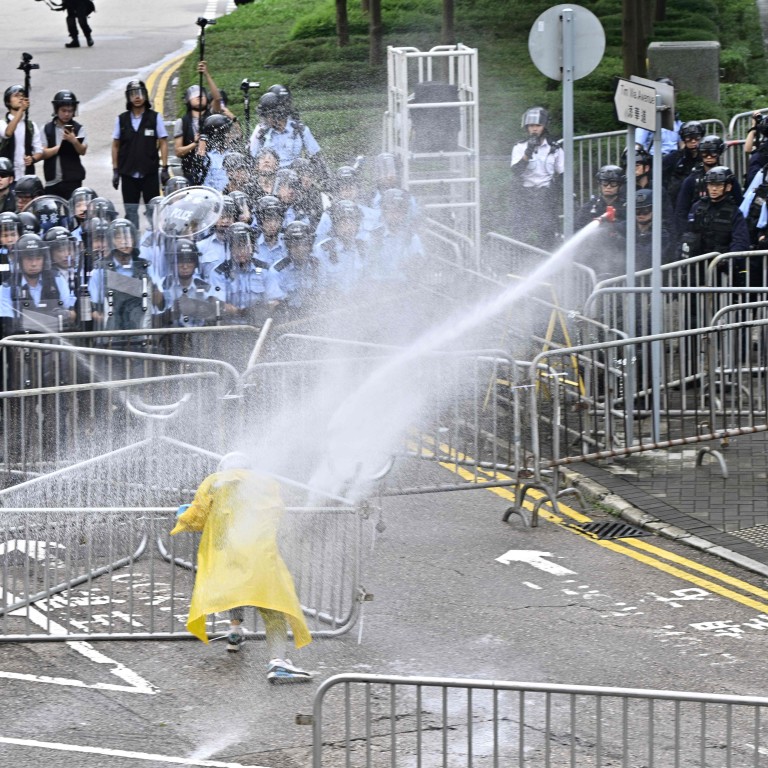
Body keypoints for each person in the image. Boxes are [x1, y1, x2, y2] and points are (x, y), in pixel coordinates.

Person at [170, 452, 312, 682]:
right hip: (259, 556)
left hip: (227, 555)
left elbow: (195, 518)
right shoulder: (267, 484)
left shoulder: (214, 482)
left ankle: (235, 632)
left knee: (235, 593)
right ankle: (277, 661)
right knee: (274, 610)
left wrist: (182, 515)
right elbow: (278, 514)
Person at [111, 80, 169, 229]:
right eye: (133, 94)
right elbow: (115, 145)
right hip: (128, 174)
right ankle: (133, 245)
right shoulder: (121, 119)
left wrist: (164, 168)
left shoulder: (155, 118)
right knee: (131, 212)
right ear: (128, 97)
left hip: (149, 173)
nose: (137, 97)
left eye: (140, 93)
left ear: (145, 95)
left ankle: (155, 241)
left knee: (153, 211)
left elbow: (163, 142)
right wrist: (115, 170)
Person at [510, 106, 564, 250]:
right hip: (525, 193)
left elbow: (562, 173)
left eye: (538, 125)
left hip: (545, 194)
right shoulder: (519, 147)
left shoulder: (555, 148)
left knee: (546, 228)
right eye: (531, 126)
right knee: (520, 231)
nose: (534, 129)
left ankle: (546, 254)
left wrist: (558, 193)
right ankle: (521, 259)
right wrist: (527, 153)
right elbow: (516, 171)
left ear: (545, 127)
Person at [173, 61, 225, 183]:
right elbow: (178, 151)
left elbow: (217, 98)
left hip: (213, 171)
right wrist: (195, 144)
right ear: (187, 100)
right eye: (194, 95)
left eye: (202, 94)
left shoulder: (212, 115)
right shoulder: (182, 122)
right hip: (190, 173)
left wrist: (206, 74)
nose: (199, 96)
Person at [248, 90, 322, 169]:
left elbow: (316, 157)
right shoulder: (261, 132)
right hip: (270, 174)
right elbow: (251, 157)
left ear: (277, 114)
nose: (266, 119)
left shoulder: (300, 130)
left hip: (294, 174)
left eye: (267, 116)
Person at [40, 90, 88, 201]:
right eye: (63, 111)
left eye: (70, 111)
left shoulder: (78, 128)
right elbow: (42, 152)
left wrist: (74, 141)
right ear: (56, 109)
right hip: (52, 181)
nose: (67, 114)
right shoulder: (47, 129)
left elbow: (83, 151)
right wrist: (60, 148)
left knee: (73, 212)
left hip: (72, 181)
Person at [0, 85, 44, 180]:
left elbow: (39, 151)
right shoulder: (2, 123)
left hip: (27, 177)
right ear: (8, 101)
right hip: (6, 178)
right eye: (16, 95)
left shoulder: (31, 126)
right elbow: (8, 133)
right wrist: (21, 110)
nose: (20, 98)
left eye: (22, 95)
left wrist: (32, 159)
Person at [575, 164, 625, 231]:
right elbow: (577, 227)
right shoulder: (590, 207)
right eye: (605, 182)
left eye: (613, 183)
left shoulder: (626, 207)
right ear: (600, 184)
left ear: (620, 185)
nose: (608, 186)